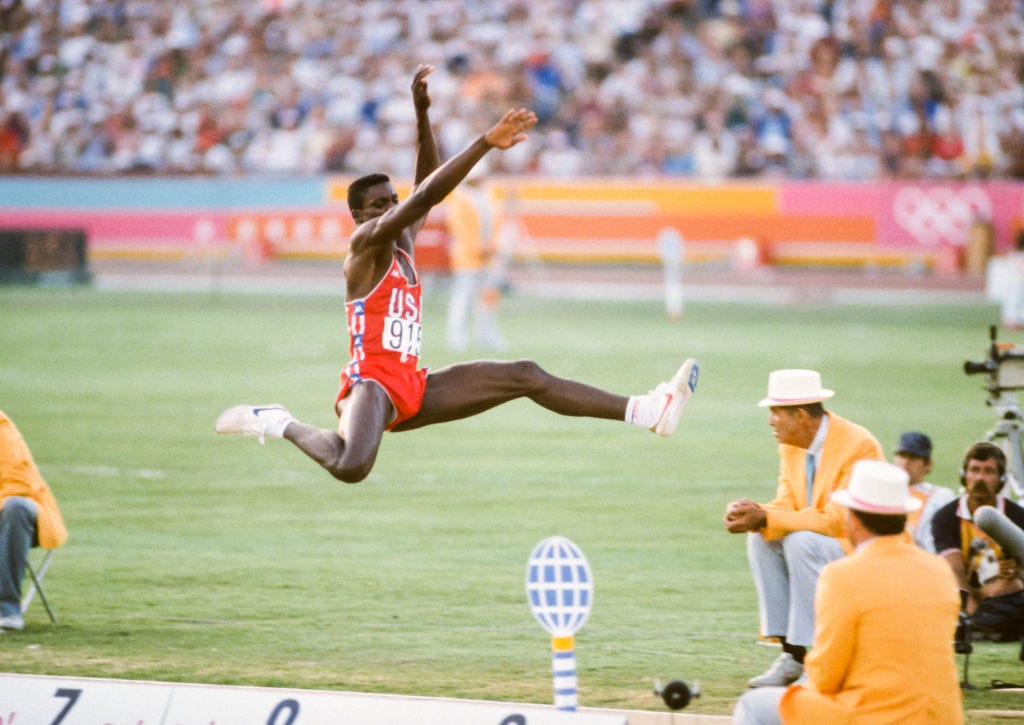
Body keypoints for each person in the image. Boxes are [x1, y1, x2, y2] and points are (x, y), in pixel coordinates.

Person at [215, 65, 699, 483]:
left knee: (524, 375)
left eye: (393, 201)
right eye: (379, 206)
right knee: (350, 466)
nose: (392, 209)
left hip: (411, 383)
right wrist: (485, 143)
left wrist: (422, 115)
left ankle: (648, 411)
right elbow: (426, 196)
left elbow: (424, 186)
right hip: (373, 385)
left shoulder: (400, 239)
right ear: (360, 218)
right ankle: (277, 421)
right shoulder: (364, 247)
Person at [733, 459, 963, 725]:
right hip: (944, 716)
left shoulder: (843, 576)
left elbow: (825, 676)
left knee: (752, 706)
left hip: (875, 716)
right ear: (902, 517)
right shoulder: (938, 570)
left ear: (852, 519)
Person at [723, 369, 883, 688]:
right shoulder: (792, 443)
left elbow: (839, 521)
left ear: (799, 415)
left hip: (865, 553)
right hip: (824, 546)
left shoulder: (859, 445)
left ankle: (819, 662)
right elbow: (787, 504)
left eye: (775, 412)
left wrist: (765, 517)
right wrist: (754, 513)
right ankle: (792, 656)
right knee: (762, 539)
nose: (770, 421)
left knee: (798, 541)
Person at [932, 441, 1024, 643]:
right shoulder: (946, 517)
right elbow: (954, 571)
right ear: (964, 475)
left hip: (1007, 595)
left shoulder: (1017, 516)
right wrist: (966, 615)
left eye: (988, 471)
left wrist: (1017, 571)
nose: (980, 478)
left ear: (1000, 479)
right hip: (969, 597)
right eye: (975, 470)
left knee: (1013, 584)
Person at [0, 410, 68, 631]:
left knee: (15, 507)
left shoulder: (3, 431)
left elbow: (18, 486)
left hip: (23, 515)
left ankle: (6, 609)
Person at [444, 158, 506, 352]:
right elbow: (460, 229)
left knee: (488, 297)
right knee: (464, 297)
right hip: (468, 258)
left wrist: (493, 246)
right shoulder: (460, 197)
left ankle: (487, 335)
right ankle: (457, 337)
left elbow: (497, 224)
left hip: (490, 257)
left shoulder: (488, 195)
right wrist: (479, 247)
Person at [892, 430, 955, 553]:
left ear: (928, 464)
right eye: (901, 456)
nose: (905, 463)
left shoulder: (940, 497)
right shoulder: (880, 492)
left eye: (913, 457)